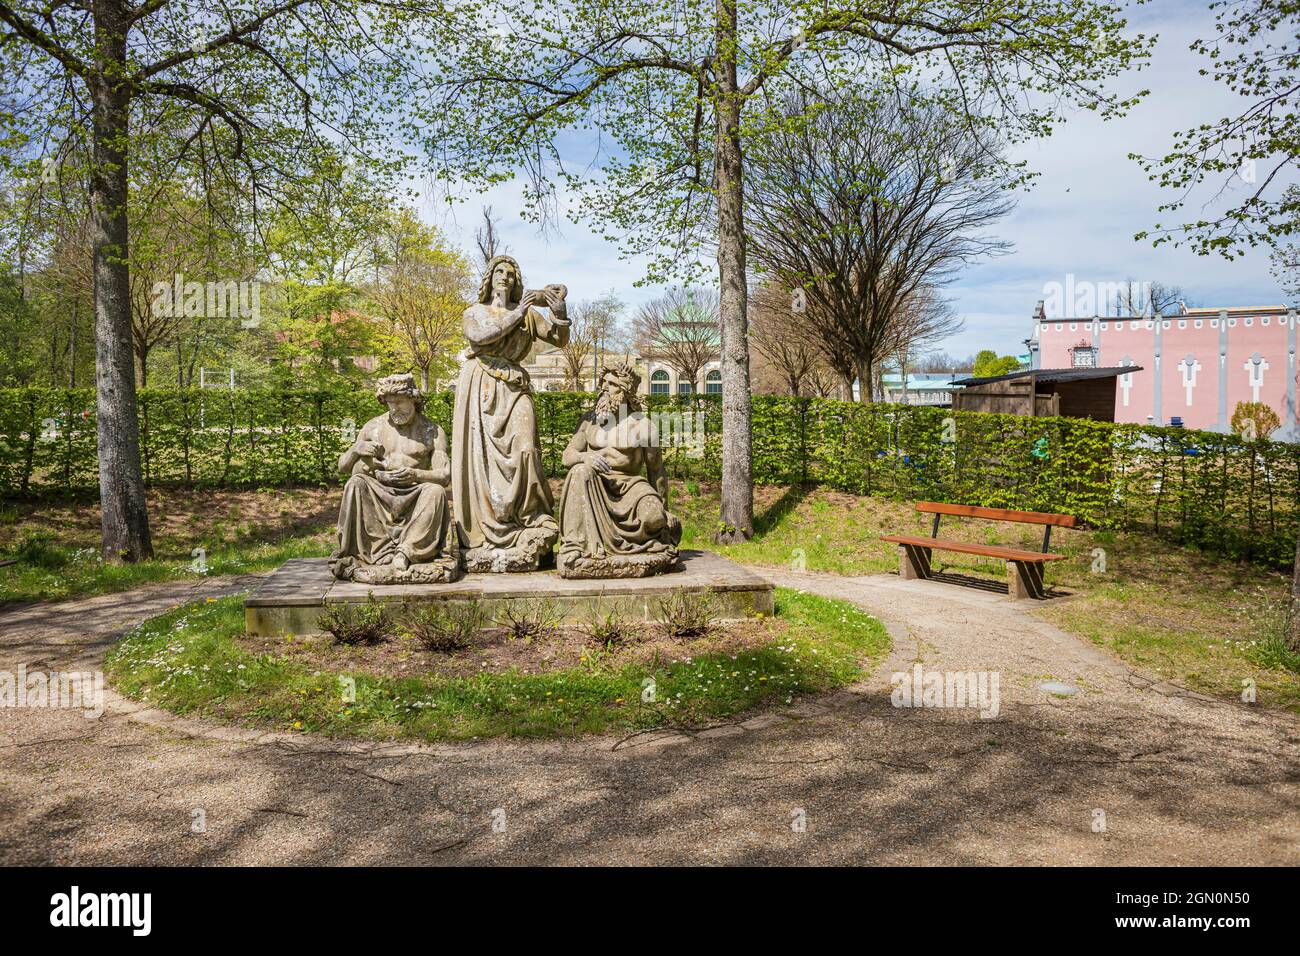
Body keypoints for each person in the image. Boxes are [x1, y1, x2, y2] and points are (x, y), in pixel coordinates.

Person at [452, 254, 569, 571]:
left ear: (517, 282)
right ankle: (489, 523)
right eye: (498, 271)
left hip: (515, 386)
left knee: (526, 448)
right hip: (481, 385)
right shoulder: (474, 312)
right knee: (483, 459)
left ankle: (529, 518)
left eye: (511, 273)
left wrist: (560, 312)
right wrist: (519, 311)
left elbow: (558, 340)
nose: (505, 276)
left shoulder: (529, 316)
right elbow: (482, 336)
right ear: (489, 279)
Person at [557, 361, 681, 578]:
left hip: (632, 487)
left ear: (625, 391)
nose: (604, 388)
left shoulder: (642, 425)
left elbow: (656, 471)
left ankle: (648, 535)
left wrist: (665, 507)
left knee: (654, 518)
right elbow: (567, 456)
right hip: (596, 485)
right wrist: (585, 457)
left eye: (612, 384)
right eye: (603, 382)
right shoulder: (588, 421)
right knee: (579, 472)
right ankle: (577, 546)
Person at [331, 373, 458, 583]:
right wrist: (356, 449)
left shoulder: (431, 431)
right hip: (380, 491)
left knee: (435, 492)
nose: (394, 408)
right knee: (355, 483)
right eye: (390, 403)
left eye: (399, 402)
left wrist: (416, 474)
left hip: (415, 491)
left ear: (414, 400)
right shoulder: (373, 427)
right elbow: (343, 466)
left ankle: (406, 552)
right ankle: (380, 551)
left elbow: (444, 475)